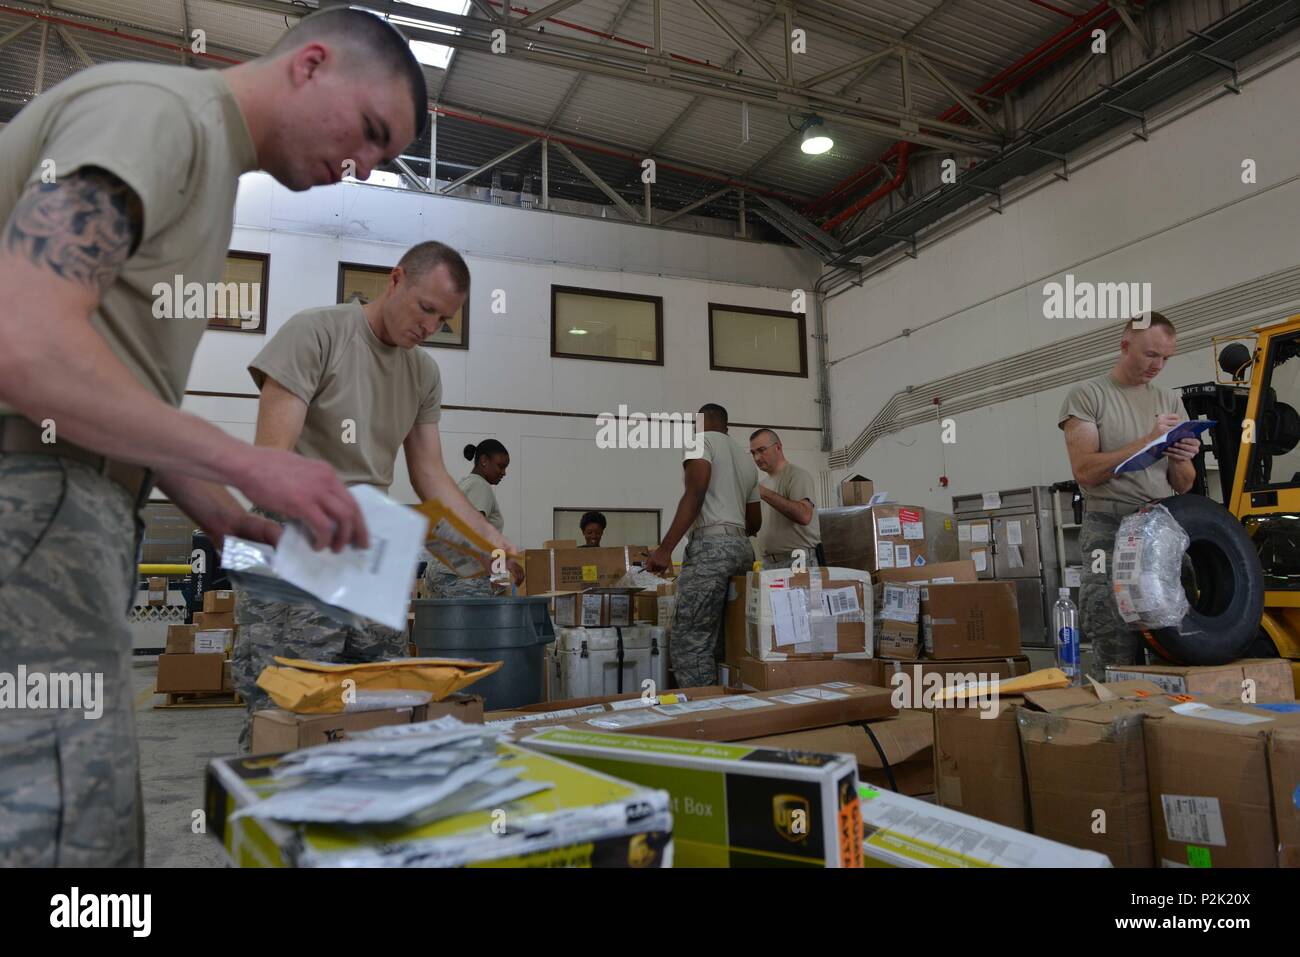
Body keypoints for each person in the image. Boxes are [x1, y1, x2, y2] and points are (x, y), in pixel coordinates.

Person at [0, 6, 426, 866]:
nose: (362, 168)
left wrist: (219, 506)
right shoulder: (162, 115)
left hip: (74, 509)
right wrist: (248, 460)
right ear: (310, 65)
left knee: (91, 825)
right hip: (34, 495)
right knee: (57, 835)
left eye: (384, 160)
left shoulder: (205, 173)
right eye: (370, 133)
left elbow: (108, 372)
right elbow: (26, 339)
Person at [233, 242, 520, 750]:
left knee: (376, 694)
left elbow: (430, 475)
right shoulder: (316, 332)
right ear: (395, 280)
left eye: (444, 319)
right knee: (290, 701)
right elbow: (270, 462)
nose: (430, 327)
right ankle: (280, 813)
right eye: (425, 309)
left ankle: (361, 814)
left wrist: (492, 538)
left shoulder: (423, 372)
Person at [1059, 313, 1197, 682]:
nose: (1158, 365)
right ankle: (1112, 719)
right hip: (1109, 523)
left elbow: (1183, 484)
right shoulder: (1088, 396)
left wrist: (1181, 457)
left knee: (1170, 628)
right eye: (1151, 354)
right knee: (1112, 628)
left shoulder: (1169, 400)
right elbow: (1086, 470)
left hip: (1159, 522)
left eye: (1166, 358)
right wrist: (1150, 440)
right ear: (1124, 346)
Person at [645, 404, 760, 686]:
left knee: (690, 642)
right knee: (725, 639)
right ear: (727, 427)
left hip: (711, 549)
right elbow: (754, 522)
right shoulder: (746, 460)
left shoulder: (699, 441)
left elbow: (695, 493)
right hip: (742, 549)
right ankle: (730, 706)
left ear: (698, 423)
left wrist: (665, 549)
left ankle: (702, 713)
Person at [424, 439, 510, 598]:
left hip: (441, 571)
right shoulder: (480, 486)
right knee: (476, 621)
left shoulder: (464, 484)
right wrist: (500, 575)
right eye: (500, 466)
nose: (504, 473)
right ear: (484, 461)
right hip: (458, 575)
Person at [749, 428, 821, 569]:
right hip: (769, 562)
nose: (757, 458)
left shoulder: (797, 476)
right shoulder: (763, 484)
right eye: (753, 453)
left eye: (762, 450)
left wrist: (764, 493)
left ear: (778, 447)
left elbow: (804, 515)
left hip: (797, 560)